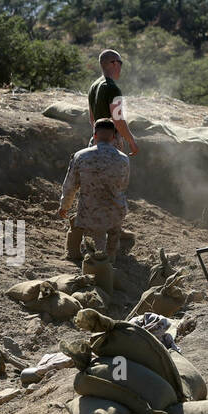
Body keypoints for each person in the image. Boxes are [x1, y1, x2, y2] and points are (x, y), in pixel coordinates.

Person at [59, 118, 130, 261]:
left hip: (90, 212)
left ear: (95, 135)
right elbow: (124, 185)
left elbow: (70, 186)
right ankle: (111, 260)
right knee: (111, 247)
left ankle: (90, 260)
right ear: (113, 137)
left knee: (95, 248)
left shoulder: (81, 156)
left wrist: (64, 206)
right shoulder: (123, 159)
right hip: (115, 212)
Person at [87, 48, 138, 156]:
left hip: (95, 141)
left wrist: (98, 137)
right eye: (120, 63)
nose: (121, 67)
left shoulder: (93, 86)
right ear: (114, 63)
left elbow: (92, 119)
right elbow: (118, 119)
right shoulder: (112, 88)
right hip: (111, 143)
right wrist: (131, 141)